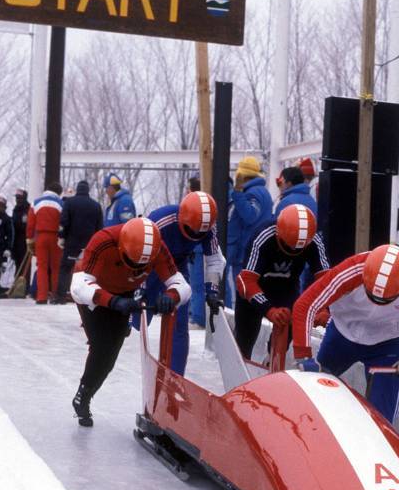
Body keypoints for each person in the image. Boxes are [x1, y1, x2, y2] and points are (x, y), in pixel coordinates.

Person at [292, 244, 399, 423]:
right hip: (342, 335)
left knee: (382, 414)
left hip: (386, 344)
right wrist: (303, 355)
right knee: (315, 388)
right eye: (372, 296)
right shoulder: (351, 269)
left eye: (385, 300)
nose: (377, 304)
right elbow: (305, 304)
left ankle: (380, 442)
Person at [70, 217, 190, 427]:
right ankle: (83, 396)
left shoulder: (158, 248)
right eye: (132, 262)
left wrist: (170, 297)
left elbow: (182, 285)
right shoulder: (103, 241)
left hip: (124, 294)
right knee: (101, 346)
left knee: (110, 355)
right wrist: (112, 301)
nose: (137, 268)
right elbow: (79, 287)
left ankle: (86, 392)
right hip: (94, 292)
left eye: (143, 266)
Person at [137, 190, 224, 376]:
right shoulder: (160, 222)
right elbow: (139, 256)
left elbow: (215, 259)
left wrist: (212, 291)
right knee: (138, 317)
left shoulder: (209, 227)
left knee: (179, 321)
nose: (196, 235)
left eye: (201, 233)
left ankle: (175, 377)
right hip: (150, 266)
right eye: (193, 230)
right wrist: (140, 289)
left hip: (178, 268)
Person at [235, 204, 329, 359]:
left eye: (299, 249)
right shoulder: (263, 236)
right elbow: (245, 280)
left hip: (286, 289)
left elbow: (327, 279)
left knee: (290, 322)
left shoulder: (314, 241)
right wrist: (268, 309)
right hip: (256, 289)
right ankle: (240, 369)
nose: (293, 252)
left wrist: (324, 307)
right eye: (288, 246)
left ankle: (272, 360)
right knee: (245, 339)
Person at [225, 155, 273, 307]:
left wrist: (237, 193)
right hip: (254, 248)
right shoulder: (262, 191)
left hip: (246, 250)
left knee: (244, 289)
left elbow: (250, 215)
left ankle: (243, 323)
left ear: (242, 175)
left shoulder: (253, 193)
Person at [53, 180, 103, 303]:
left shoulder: (69, 203)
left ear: (77, 189)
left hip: (71, 243)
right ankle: (86, 297)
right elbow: (100, 227)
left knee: (65, 269)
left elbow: (63, 222)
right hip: (89, 245)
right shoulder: (96, 206)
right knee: (87, 271)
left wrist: (61, 237)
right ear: (88, 191)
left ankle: (60, 297)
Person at [27, 182, 63, 304]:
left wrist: (29, 239)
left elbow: (30, 223)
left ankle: (41, 296)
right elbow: (64, 222)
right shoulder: (61, 203)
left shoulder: (36, 202)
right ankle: (54, 295)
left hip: (40, 237)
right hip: (56, 238)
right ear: (59, 192)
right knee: (55, 267)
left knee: (41, 267)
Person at [186, 176, 207, 329]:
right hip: (198, 248)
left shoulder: (196, 206)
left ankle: (199, 318)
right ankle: (196, 314)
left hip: (198, 249)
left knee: (197, 284)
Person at [11, 188, 30, 276]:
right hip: (16, 241)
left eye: (19, 198)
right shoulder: (15, 209)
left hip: (25, 241)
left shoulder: (28, 209)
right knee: (17, 263)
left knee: (25, 264)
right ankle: (16, 285)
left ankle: (24, 285)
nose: (17, 200)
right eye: (17, 198)